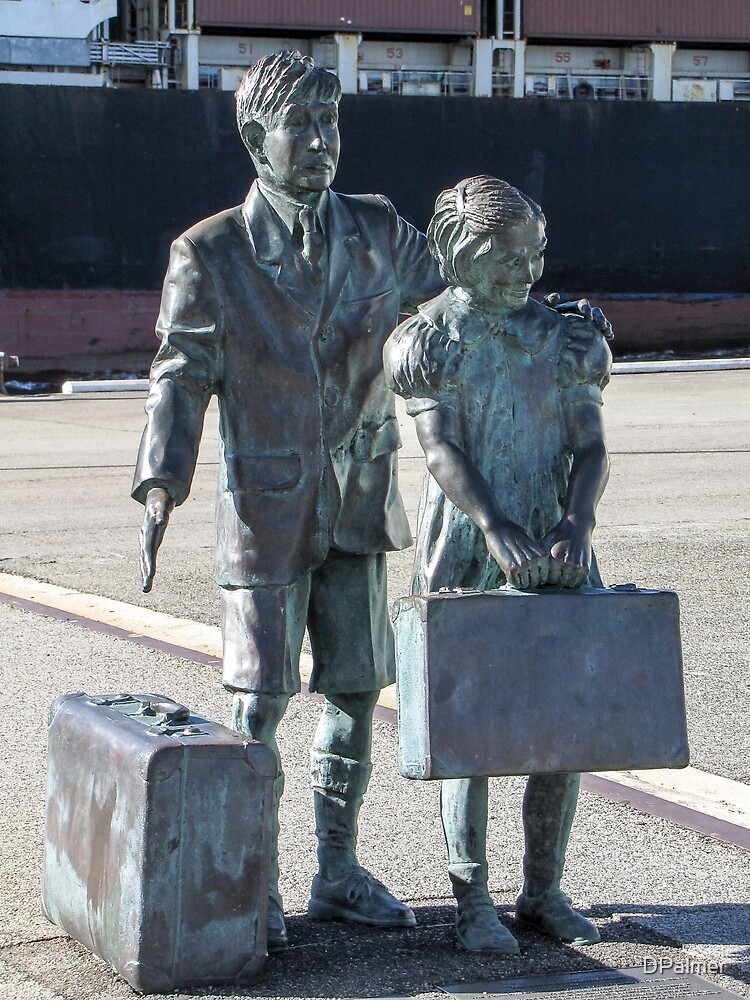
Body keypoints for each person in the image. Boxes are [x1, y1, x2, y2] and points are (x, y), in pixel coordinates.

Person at [132, 50, 444, 950]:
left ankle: (337, 870)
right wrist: (162, 481)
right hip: (263, 511)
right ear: (253, 138)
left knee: (354, 692)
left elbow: (459, 303)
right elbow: (179, 374)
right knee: (257, 700)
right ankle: (256, 878)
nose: (319, 143)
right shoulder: (211, 252)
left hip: (361, 500)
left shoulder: (383, 231)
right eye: (299, 126)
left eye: (330, 123)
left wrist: (550, 318)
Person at [384, 175, 612, 954]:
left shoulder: (565, 336)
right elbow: (440, 448)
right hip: (468, 540)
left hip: (555, 540)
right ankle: (471, 896)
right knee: (468, 730)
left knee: (565, 724)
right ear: (458, 254)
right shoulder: (427, 339)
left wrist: (578, 520)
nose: (526, 274)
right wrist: (494, 525)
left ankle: (543, 890)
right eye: (507, 259)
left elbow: (590, 444)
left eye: (534, 256)